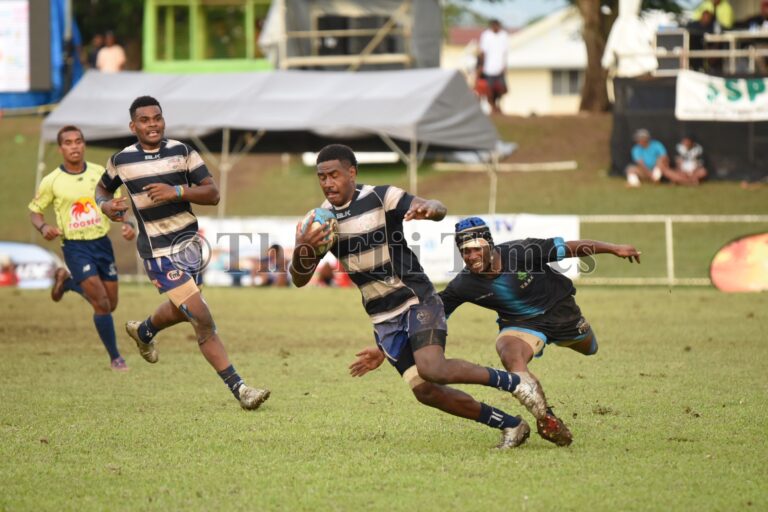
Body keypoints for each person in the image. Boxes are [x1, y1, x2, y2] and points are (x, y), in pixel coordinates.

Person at [292, 144, 549, 449]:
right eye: (321, 177)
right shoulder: (320, 221)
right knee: (425, 391)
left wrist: (428, 208)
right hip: (382, 319)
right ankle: (512, 426)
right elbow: (299, 278)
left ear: (352, 172)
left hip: (417, 299)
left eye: (334, 175)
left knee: (432, 367)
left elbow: (436, 207)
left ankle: (515, 383)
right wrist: (303, 248)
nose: (327, 183)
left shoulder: (380, 197)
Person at [351, 218, 642, 447]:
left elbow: (570, 246)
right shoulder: (464, 284)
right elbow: (431, 315)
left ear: (490, 245)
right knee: (509, 353)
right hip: (521, 326)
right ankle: (546, 419)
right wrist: (382, 348)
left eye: (477, 248)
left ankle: (562, 365)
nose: (472, 256)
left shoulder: (522, 251)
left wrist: (613, 248)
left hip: (563, 315)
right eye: (464, 251)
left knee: (590, 347)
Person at [95, 95, 269, 410]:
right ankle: (241, 389)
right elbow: (103, 189)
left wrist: (176, 191)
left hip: (189, 247)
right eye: (145, 120)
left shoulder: (183, 152)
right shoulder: (121, 160)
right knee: (200, 315)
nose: (153, 124)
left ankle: (144, 330)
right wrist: (106, 206)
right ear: (133, 126)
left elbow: (213, 194)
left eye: (157, 118)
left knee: (185, 309)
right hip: (157, 252)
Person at [29, 125, 136, 371]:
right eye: (68, 142)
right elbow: (35, 212)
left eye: (78, 141)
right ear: (60, 148)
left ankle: (66, 282)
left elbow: (117, 206)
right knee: (101, 303)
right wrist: (44, 227)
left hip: (102, 243)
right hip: (75, 246)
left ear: (84, 144)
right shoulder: (51, 181)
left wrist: (128, 224)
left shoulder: (100, 174)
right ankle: (116, 358)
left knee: (111, 303)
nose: (74, 146)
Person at [477, 19, 508, 114]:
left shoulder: (504, 36)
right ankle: (493, 107)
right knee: (488, 90)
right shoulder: (486, 36)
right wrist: (481, 66)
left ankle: (497, 105)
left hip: (500, 68)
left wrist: (505, 65)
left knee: (502, 89)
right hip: (488, 68)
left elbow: (505, 52)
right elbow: (482, 52)